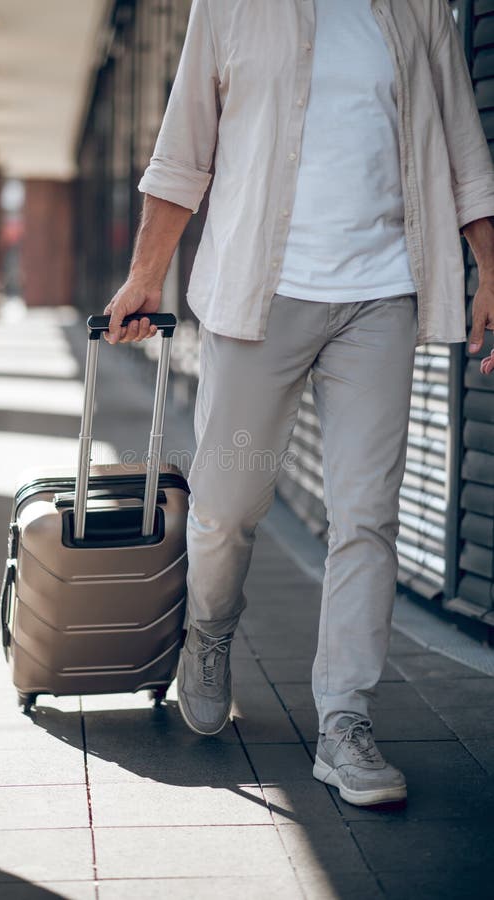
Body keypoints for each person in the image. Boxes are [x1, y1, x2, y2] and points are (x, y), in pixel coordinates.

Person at [103, 0, 494, 807]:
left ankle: (345, 723)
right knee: (227, 502)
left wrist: (489, 266)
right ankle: (208, 631)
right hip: (259, 299)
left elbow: (463, 148)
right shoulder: (232, 8)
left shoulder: (418, 12)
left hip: (379, 302)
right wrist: (145, 276)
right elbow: (183, 152)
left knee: (365, 514)